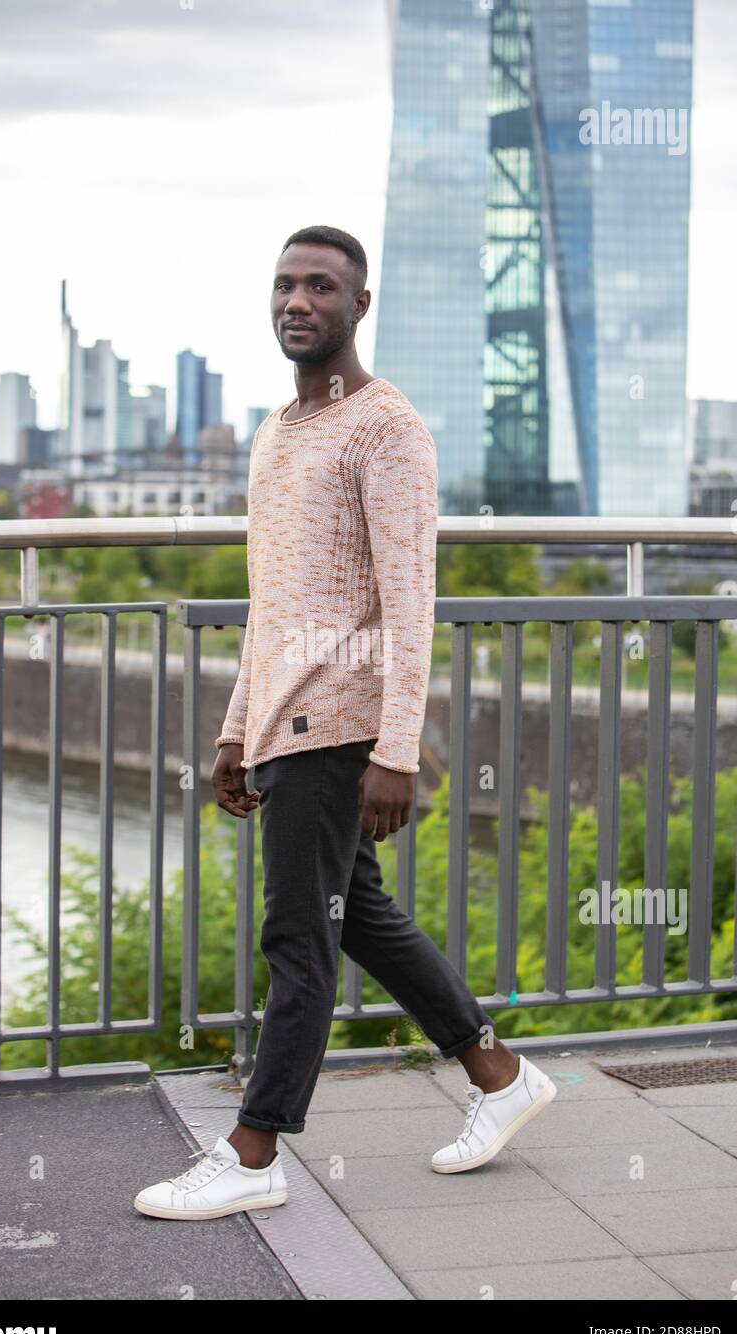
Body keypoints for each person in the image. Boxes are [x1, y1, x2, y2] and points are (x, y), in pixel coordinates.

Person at [134, 226, 556, 1222]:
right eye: (283, 284)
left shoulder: (385, 426)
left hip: (343, 727)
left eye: (320, 285)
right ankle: (498, 1074)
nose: (296, 300)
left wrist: (398, 750)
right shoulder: (275, 433)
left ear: (358, 305)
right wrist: (238, 729)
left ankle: (253, 1151)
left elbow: (412, 599)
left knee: (296, 938)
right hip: (283, 723)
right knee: (357, 915)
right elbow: (269, 602)